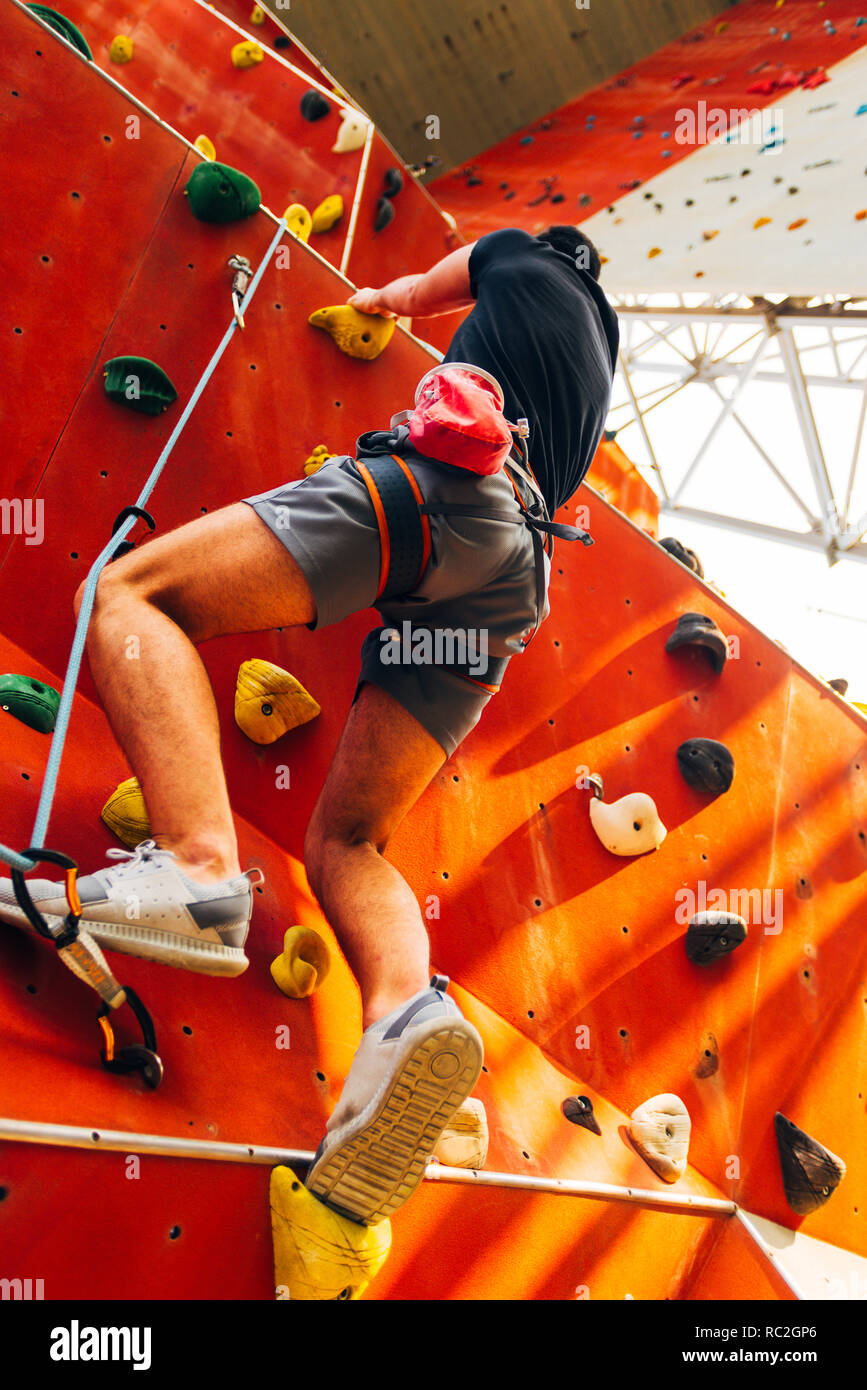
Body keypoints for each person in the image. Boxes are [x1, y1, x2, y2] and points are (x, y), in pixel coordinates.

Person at [0, 225, 618, 1226]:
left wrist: (374, 297)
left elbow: (418, 287)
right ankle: (402, 1020)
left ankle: (199, 868)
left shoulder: (517, 255)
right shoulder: (599, 350)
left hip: (453, 488)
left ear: (549, 247)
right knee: (347, 840)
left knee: (130, 600)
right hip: (515, 575)